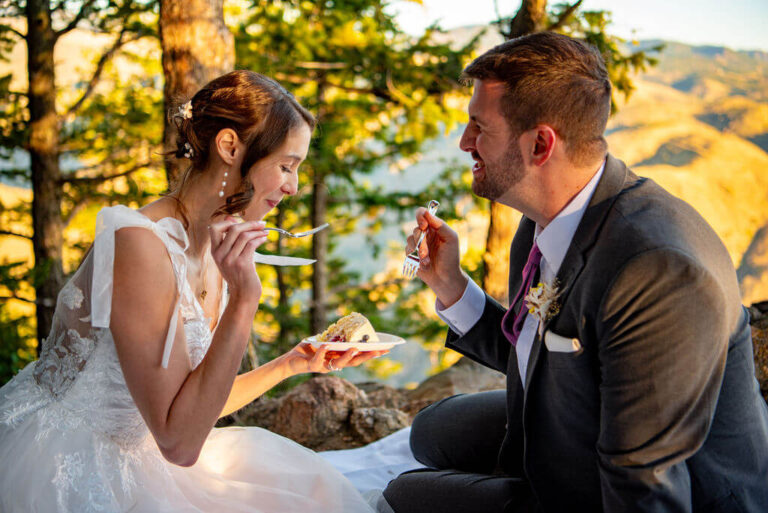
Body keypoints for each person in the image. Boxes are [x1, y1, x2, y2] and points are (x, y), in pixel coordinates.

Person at [383, 32, 768, 513]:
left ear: (541, 144)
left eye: (479, 127)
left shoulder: (658, 272)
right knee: (432, 430)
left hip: (647, 488)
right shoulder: (544, 217)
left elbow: (646, 482)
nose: (465, 143)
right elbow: (542, 358)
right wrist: (451, 287)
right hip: (587, 424)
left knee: (399, 497)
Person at [0, 70, 386, 512]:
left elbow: (193, 404)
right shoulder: (141, 244)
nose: (293, 187)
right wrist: (245, 300)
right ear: (229, 147)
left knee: (315, 491)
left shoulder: (216, 244)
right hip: (66, 463)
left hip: (149, 453)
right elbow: (179, 442)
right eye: (286, 166)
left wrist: (290, 363)